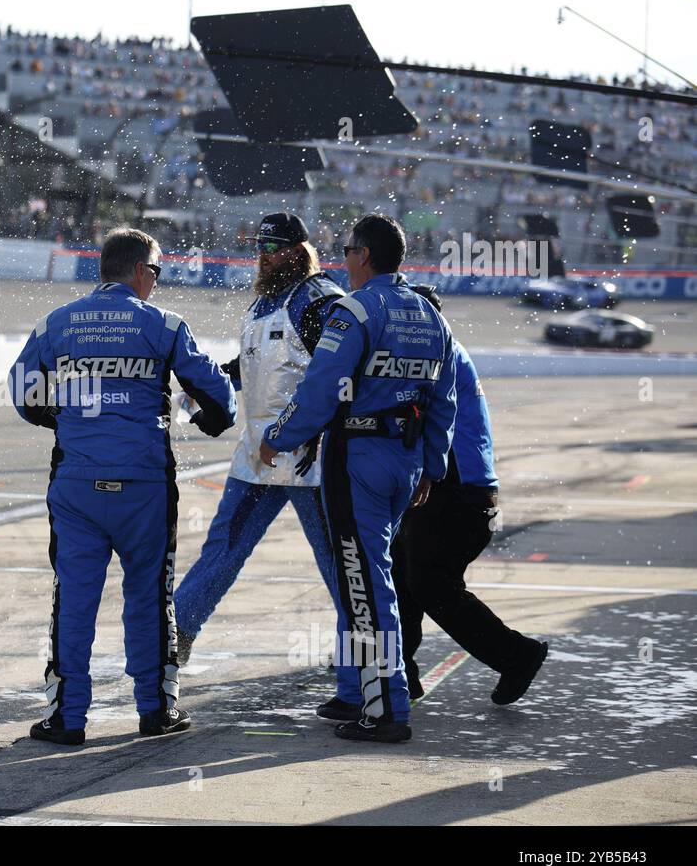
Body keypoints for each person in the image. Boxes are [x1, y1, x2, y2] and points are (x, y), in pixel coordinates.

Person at [10, 227, 236, 745]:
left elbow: (22, 392)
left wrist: (65, 420)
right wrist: (207, 419)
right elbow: (220, 399)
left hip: (76, 486)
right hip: (144, 488)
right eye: (156, 271)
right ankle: (156, 710)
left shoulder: (58, 322)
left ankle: (67, 719)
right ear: (137, 270)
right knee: (151, 597)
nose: (157, 280)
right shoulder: (164, 324)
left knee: (73, 599)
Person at [260, 213, 458, 743]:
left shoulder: (355, 311)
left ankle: (387, 708)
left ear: (363, 255)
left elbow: (320, 390)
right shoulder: (428, 313)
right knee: (365, 577)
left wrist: (277, 437)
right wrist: (432, 467)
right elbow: (444, 402)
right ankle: (355, 691)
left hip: (358, 458)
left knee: (366, 582)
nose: (343, 259)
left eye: (347, 250)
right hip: (406, 459)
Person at [172, 214, 345, 688]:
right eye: (259, 245)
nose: (262, 254)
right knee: (222, 549)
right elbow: (249, 367)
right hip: (257, 458)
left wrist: (304, 433)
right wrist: (202, 390)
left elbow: (335, 373)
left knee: (337, 562)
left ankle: (361, 653)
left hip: (311, 460)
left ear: (297, 249)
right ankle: (177, 633)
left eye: (272, 246)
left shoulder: (321, 300)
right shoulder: (263, 303)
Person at [390, 287, 548, 705]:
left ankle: (517, 655)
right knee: (405, 576)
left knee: (426, 584)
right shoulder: (447, 348)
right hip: (455, 489)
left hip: (453, 491)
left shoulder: (433, 354)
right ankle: (401, 675)